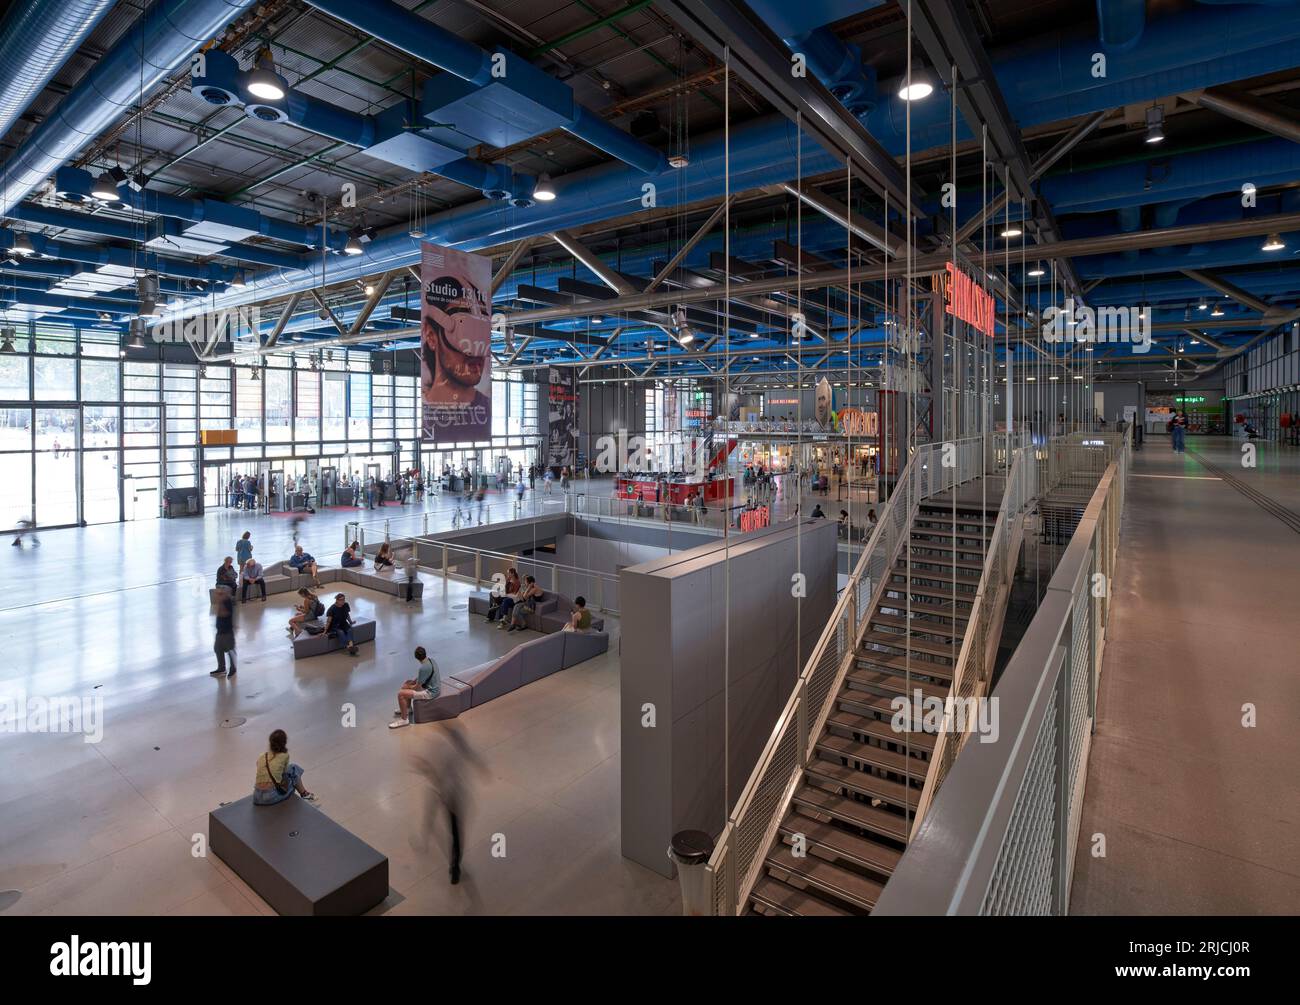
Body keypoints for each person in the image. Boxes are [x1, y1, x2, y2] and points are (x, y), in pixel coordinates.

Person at [253, 730, 316, 805]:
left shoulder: (262, 756)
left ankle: (304, 794)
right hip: (270, 797)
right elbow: (285, 773)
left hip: (256, 796)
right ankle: (304, 794)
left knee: (290, 772)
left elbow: (258, 765)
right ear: (284, 743)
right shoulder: (284, 756)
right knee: (293, 769)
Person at [390, 647, 441, 729]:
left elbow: (417, 688)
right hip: (434, 687)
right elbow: (423, 677)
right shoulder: (431, 660)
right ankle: (408, 708)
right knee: (407, 682)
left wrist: (408, 687)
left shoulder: (423, 668)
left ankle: (404, 720)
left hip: (431, 693)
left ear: (416, 657)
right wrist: (411, 683)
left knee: (401, 694)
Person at [210, 592, 236, 678]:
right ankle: (222, 668)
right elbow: (218, 613)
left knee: (230, 650)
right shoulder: (222, 601)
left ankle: (233, 668)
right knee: (217, 648)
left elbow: (224, 613)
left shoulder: (228, 601)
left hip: (227, 631)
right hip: (220, 631)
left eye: (221, 593)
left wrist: (220, 602)